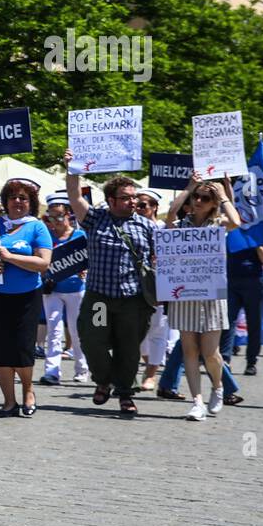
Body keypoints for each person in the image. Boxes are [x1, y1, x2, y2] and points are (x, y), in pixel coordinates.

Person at [64, 151, 157, 415]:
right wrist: (72, 168)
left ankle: (125, 393)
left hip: (133, 300)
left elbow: (160, 259)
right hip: (100, 298)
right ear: (111, 200)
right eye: (126, 198)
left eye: (134, 197)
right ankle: (103, 380)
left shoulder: (147, 226)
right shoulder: (95, 219)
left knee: (129, 349)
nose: (132, 202)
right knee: (93, 340)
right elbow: (74, 196)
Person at [0, 178, 53, 417]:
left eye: (23, 198)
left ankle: (28, 390)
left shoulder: (37, 227)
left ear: (31, 203)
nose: (18, 202)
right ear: (5, 201)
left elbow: (43, 263)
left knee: (21, 349)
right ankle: (8, 401)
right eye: (13, 197)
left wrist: (10, 257)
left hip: (25, 297)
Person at [164, 173, 241, 420]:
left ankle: (217, 387)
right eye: (197, 196)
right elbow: (168, 217)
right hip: (184, 293)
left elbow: (236, 222)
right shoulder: (182, 226)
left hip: (211, 295)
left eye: (205, 198)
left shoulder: (217, 226)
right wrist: (189, 186)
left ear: (212, 203)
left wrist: (223, 196)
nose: (198, 201)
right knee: (189, 349)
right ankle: (197, 401)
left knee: (210, 352)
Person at [40, 191, 90, 387]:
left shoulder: (80, 235)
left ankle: (82, 368)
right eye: (51, 216)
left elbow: (89, 259)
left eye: (59, 215)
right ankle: (52, 371)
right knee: (54, 330)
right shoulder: (46, 236)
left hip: (76, 289)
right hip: (52, 289)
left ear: (69, 215)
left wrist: (86, 271)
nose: (55, 220)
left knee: (77, 331)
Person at [133, 188, 175, 394]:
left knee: (157, 331)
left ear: (154, 208)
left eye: (143, 205)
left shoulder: (163, 229)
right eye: (136, 204)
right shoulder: (129, 226)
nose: (138, 208)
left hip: (158, 284)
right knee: (135, 332)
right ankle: (149, 363)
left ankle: (151, 373)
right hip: (132, 285)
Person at [219, 221, 263, 379]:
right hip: (231, 281)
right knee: (228, 322)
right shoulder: (228, 227)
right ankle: (225, 360)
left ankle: (251, 361)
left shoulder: (260, 228)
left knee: (254, 323)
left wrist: (255, 241)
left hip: (254, 282)